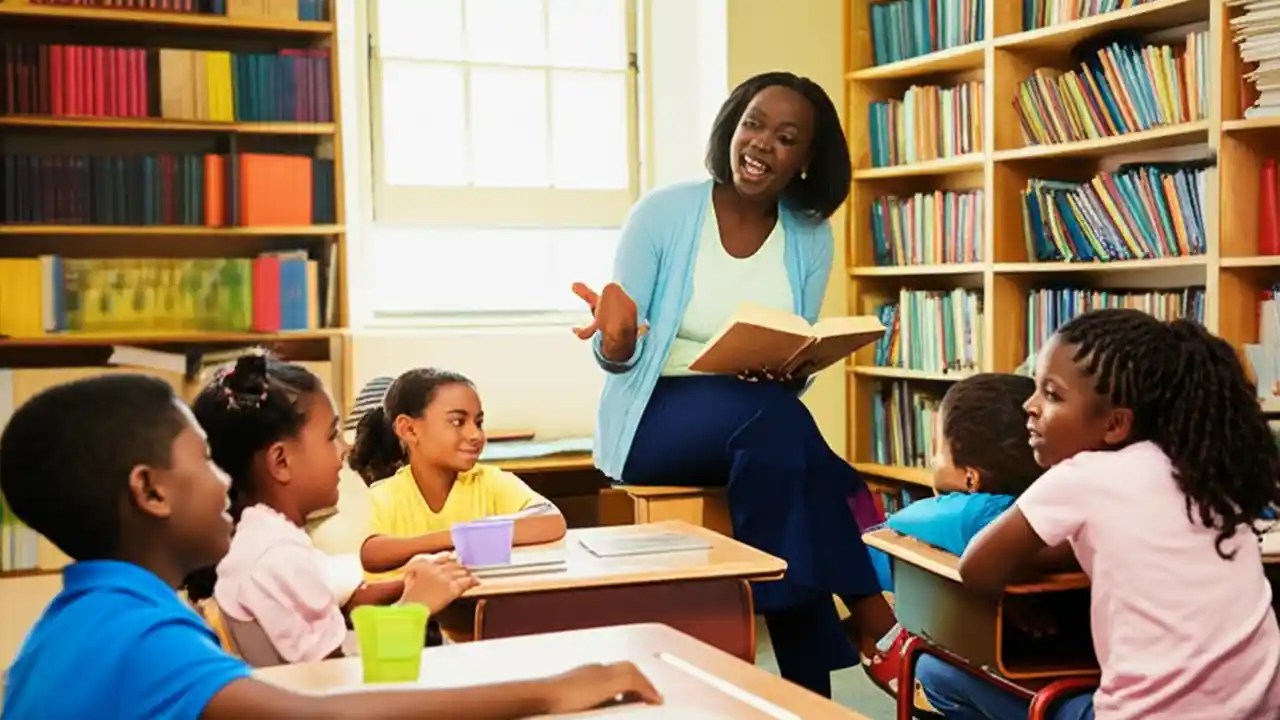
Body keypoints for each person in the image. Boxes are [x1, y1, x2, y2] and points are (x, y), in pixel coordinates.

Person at [0, 374, 660, 718]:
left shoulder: (86, 618)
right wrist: (553, 690)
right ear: (151, 491)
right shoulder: (141, 639)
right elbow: (329, 715)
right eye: (203, 462)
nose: (225, 481)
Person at [569, 70, 893, 697]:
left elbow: (794, 350)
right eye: (754, 124)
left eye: (786, 138)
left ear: (806, 160)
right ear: (732, 129)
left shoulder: (809, 236)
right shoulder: (664, 214)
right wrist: (616, 340)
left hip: (755, 420)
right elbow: (620, 351)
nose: (763, 143)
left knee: (782, 449)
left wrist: (787, 368)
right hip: (655, 417)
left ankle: (808, 694)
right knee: (796, 446)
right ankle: (870, 613)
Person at [919, 309, 1280, 719]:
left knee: (935, 671)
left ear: (1115, 424)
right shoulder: (1205, 471)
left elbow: (977, 567)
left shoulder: (1083, 476)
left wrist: (1016, 601)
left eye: (1052, 395)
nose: (1029, 406)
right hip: (1261, 711)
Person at [183, 354, 476, 665]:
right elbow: (340, 686)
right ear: (281, 462)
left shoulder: (260, 539)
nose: (344, 449)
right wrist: (415, 607)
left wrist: (409, 582)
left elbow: (336, 597)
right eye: (331, 436)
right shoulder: (276, 556)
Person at [863, 373, 1050, 691]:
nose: (932, 459)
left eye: (938, 450)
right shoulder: (1051, 499)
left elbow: (901, 520)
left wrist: (940, 494)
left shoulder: (973, 516)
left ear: (971, 479)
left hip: (1009, 668)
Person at [349, 368, 566, 577]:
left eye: (478, 423)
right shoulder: (384, 496)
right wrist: (458, 538)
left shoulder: (490, 482)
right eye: (457, 422)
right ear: (410, 430)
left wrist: (463, 537)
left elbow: (551, 521)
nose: (475, 435)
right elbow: (370, 553)